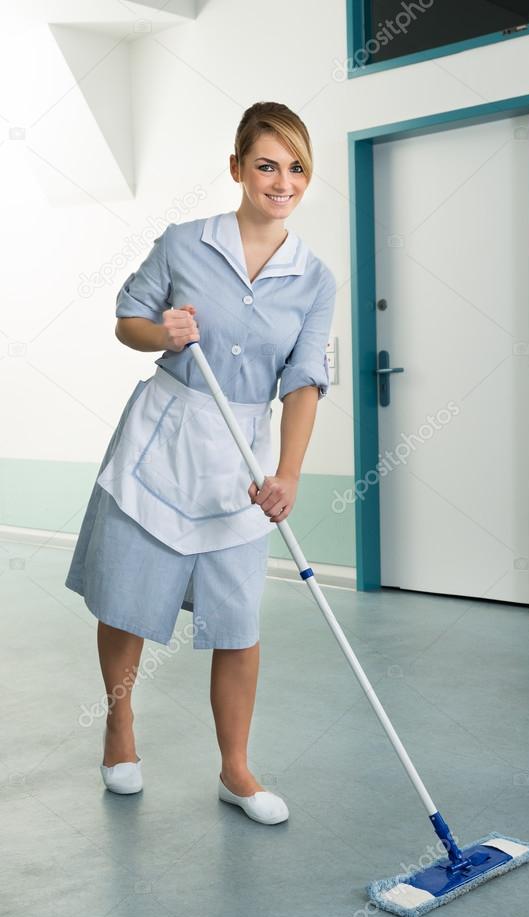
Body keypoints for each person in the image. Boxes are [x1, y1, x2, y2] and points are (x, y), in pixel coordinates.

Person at [65, 101, 337, 823]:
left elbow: (305, 381)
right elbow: (127, 318)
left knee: (237, 622)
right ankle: (120, 730)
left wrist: (288, 473)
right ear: (238, 169)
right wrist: (162, 331)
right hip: (164, 438)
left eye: (296, 169)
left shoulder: (315, 280)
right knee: (126, 601)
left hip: (242, 462)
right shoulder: (185, 243)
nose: (282, 181)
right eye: (267, 165)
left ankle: (236, 770)